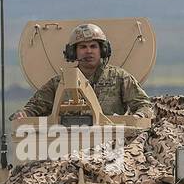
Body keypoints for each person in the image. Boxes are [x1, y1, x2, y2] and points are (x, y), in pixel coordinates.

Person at [12, 24, 154, 120]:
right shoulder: (61, 82)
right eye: (83, 47)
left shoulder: (120, 78)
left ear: (103, 50)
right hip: (66, 145)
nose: (88, 51)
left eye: (93, 46)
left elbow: (144, 106)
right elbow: (35, 107)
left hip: (111, 143)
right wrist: (23, 114)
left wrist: (138, 116)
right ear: (73, 52)